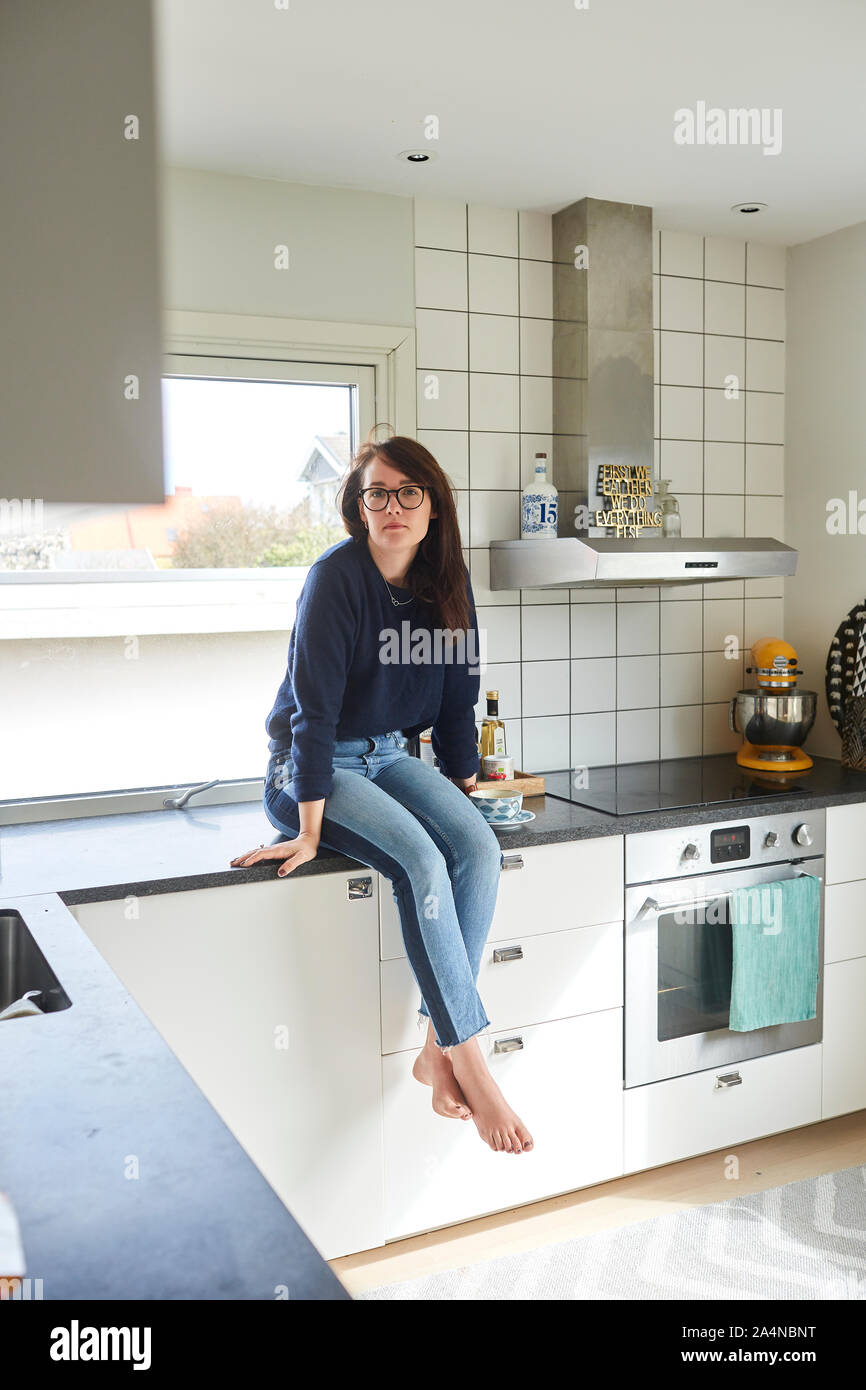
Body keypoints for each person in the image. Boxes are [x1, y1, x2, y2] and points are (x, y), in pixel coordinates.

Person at [231, 433, 533, 1155]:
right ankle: (468, 1058)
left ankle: (435, 1045)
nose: (392, 506)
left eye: (409, 492)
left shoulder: (447, 584)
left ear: (433, 507)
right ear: (358, 507)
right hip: (310, 767)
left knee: (476, 850)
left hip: (391, 756)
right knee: (420, 865)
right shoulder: (337, 579)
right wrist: (308, 830)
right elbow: (312, 713)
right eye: (377, 493)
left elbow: (457, 708)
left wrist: (459, 797)